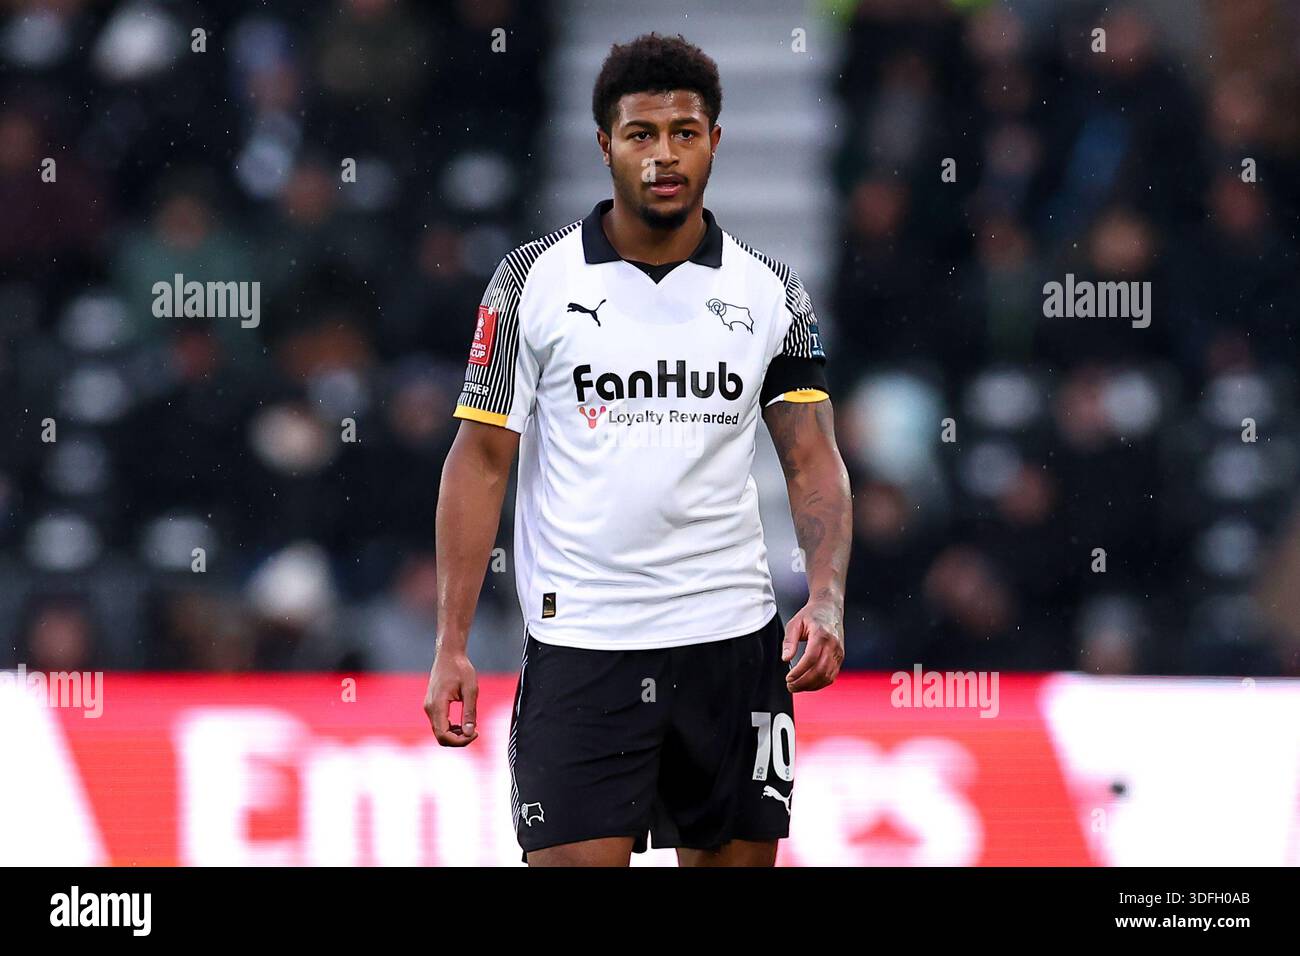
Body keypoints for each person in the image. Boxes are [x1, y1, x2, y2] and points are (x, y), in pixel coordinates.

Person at [424, 32, 852, 867]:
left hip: (732, 646)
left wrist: (828, 595)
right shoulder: (530, 283)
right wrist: (451, 642)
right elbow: (479, 461)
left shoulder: (772, 292)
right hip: (584, 647)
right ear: (605, 145)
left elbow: (812, 457)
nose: (664, 156)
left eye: (684, 133)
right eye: (641, 135)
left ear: (716, 141)